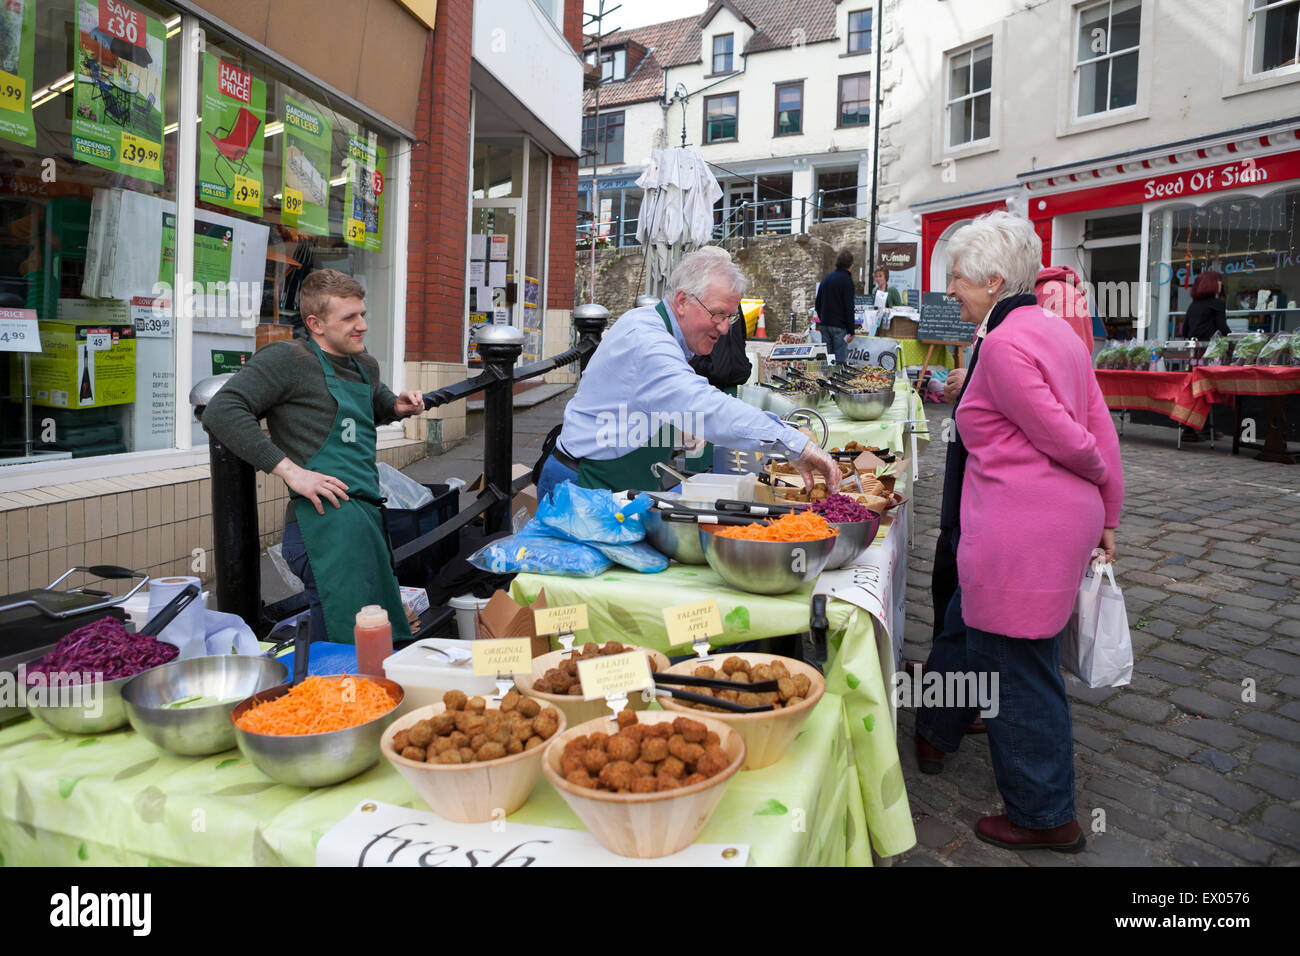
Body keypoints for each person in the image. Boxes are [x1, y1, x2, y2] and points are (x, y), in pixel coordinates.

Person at [915, 211, 1123, 853]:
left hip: (1019, 532)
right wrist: (1107, 509)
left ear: (996, 279)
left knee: (1015, 673)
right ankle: (946, 729)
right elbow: (1100, 424)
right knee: (1022, 662)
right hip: (1053, 527)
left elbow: (1072, 435)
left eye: (958, 278)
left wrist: (1090, 472)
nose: (950, 289)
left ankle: (1043, 815)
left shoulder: (1003, 345)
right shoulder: (1052, 332)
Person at [202, 269, 427, 645]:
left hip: (367, 519)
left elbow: (373, 404)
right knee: (337, 651)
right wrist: (291, 472)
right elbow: (222, 411)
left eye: (363, 314)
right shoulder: (287, 360)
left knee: (373, 643)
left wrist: (396, 406)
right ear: (315, 324)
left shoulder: (363, 364)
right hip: (324, 526)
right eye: (349, 318)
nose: (362, 326)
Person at [537, 247, 841, 499]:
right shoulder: (648, 341)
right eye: (717, 314)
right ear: (682, 301)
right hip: (582, 489)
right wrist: (791, 442)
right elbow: (703, 405)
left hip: (612, 486)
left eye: (730, 317)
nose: (724, 328)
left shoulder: (659, 329)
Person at [815, 249, 856, 364]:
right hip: (839, 326)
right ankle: (836, 380)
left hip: (825, 324)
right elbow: (849, 307)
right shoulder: (847, 281)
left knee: (826, 359)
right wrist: (851, 330)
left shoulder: (826, 278)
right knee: (839, 360)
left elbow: (817, 302)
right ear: (850, 265)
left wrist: (822, 318)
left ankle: (825, 380)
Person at [1181, 270, 1229, 340]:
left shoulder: (1193, 304)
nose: (1220, 283)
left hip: (1194, 346)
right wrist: (1232, 334)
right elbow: (1223, 329)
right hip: (1210, 347)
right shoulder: (1217, 304)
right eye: (1219, 281)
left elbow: (1184, 332)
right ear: (1212, 283)